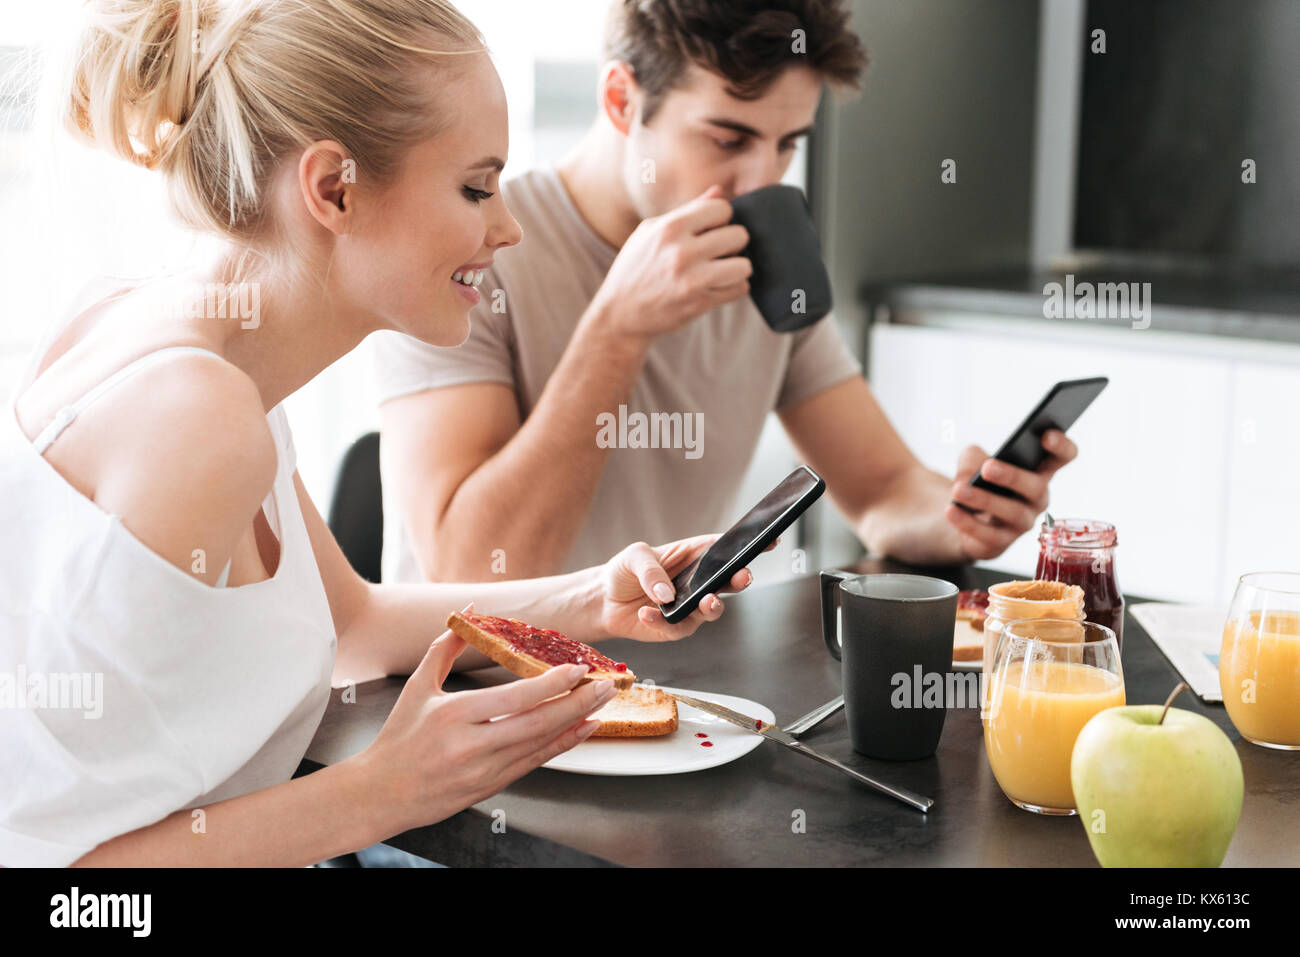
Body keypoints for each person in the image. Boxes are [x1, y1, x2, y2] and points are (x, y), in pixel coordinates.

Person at [0, 0, 753, 868]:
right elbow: (66, 882)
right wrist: (389, 789)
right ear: (333, 187)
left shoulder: (189, 353)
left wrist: (592, 600)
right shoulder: (198, 416)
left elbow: (348, 620)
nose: (505, 227)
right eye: (475, 187)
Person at [374, 0, 1079, 586]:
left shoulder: (763, 251)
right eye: (727, 138)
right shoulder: (476, 250)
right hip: (476, 706)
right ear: (622, 99)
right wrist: (618, 329)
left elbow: (884, 491)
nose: (761, 182)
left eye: (787, 144)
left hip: (670, 693)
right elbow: (471, 573)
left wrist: (964, 515)